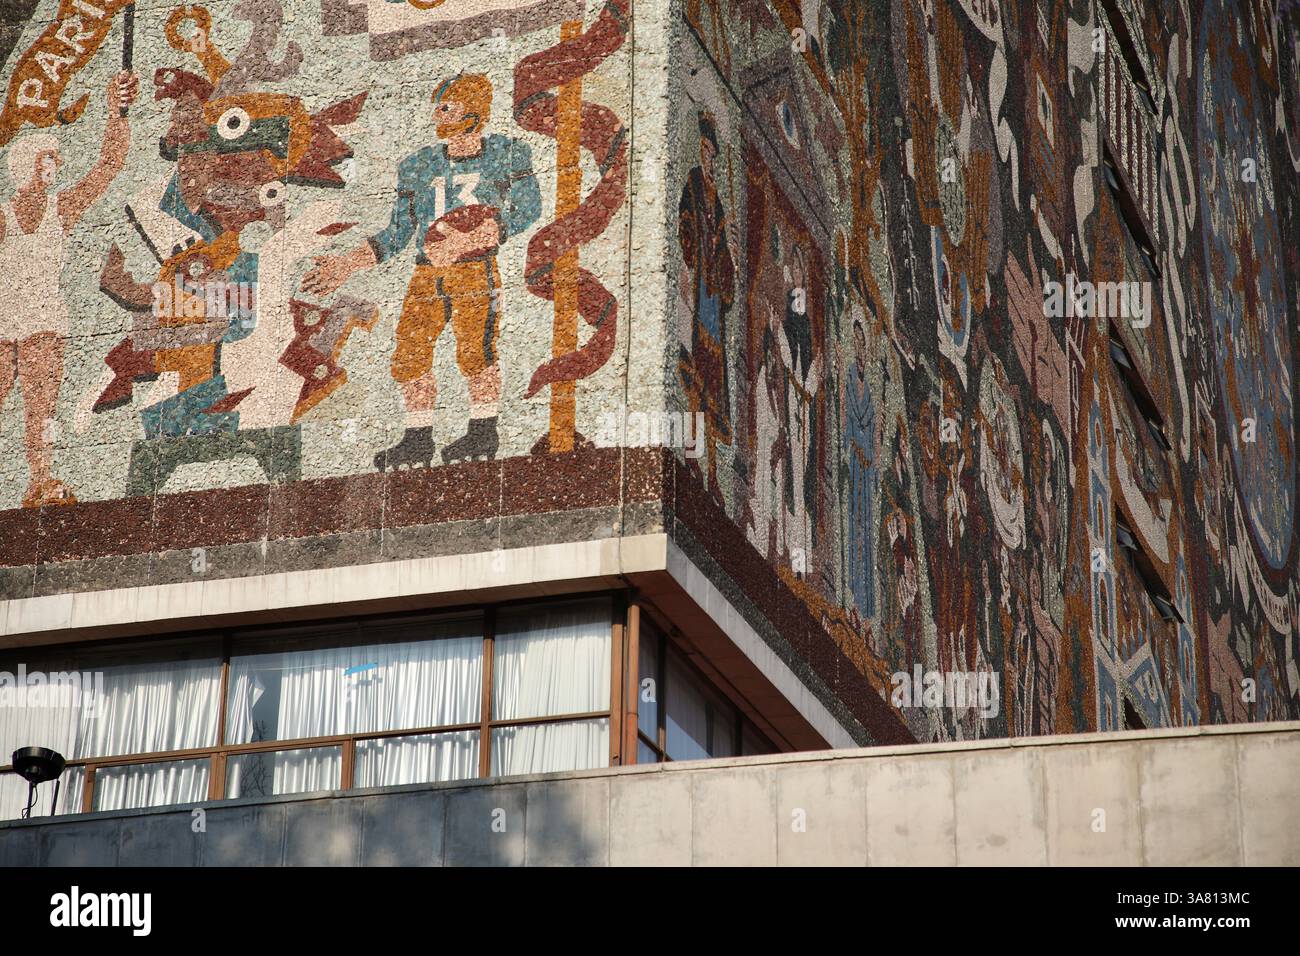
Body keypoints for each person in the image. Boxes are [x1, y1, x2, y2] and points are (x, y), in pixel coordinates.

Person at [303, 73, 541, 467]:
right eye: (438, 108)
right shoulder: (419, 165)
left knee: (475, 352)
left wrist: (471, 239)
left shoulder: (508, 153)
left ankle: (483, 432)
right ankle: (418, 438)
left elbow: (527, 208)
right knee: (409, 355)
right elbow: (397, 232)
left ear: (473, 112)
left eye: (447, 107)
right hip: (426, 271)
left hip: (475, 269)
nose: (438, 115)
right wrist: (347, 263)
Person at [0, 70, 138, 508]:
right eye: (47, 159)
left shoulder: (63, 207)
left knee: (41, 409)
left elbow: (109, 165)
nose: (54, 167)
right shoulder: (2, 215)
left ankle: (40, 482)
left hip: (44, 317)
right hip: (4, 318)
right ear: (27, 165)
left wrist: (117, 109)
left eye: (56, 160)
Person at [677, 111, 735, 500]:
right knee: (696, 379)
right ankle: (691, 453)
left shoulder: (718, 198)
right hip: (697, 292)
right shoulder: (694, 184)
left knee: (713, 385)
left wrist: (725, 261)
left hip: (713, 299)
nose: (707, 156)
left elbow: (725, 252)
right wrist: (693, 256)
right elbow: (684, 224)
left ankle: (712, 470)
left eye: (711, 151)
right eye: (703, 149)